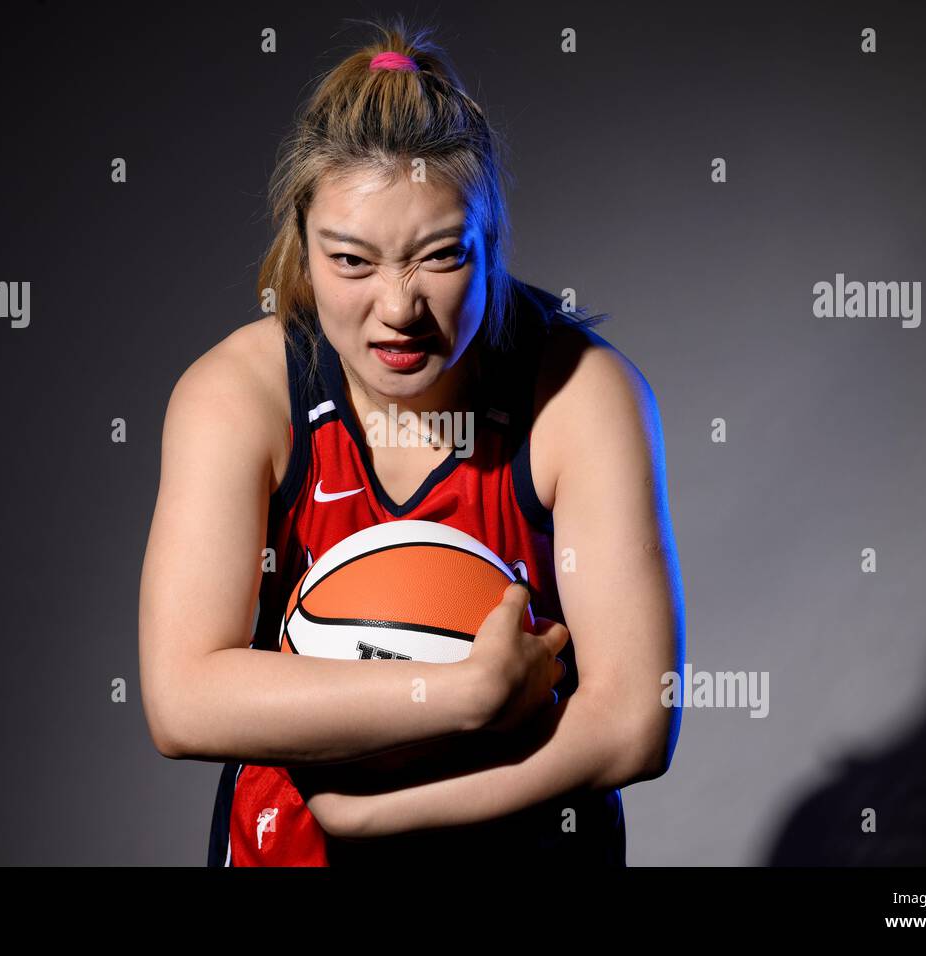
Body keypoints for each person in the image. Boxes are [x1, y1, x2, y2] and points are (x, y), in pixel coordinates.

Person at [138, 17, 685, 867]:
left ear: (491, 241)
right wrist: (466, 692)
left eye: (440, 256)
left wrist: (376, 815)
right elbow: (183, 701)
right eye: (352, 262)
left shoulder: (581, 395)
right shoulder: (237, 398)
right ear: (302, 244)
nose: (398, 308)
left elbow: (633, 723)